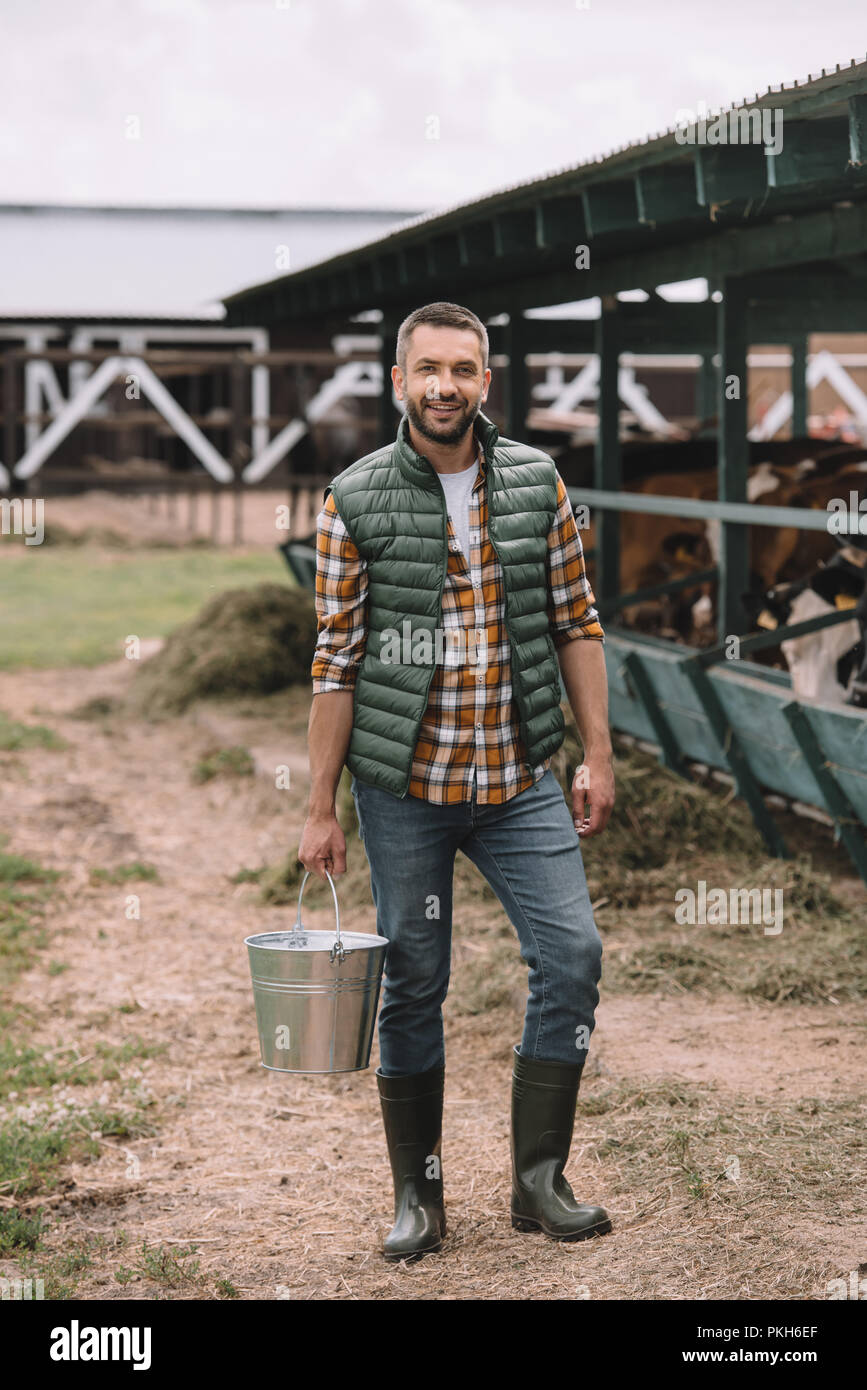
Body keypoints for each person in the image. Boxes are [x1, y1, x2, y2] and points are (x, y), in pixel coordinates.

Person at [298, 301, 615, 1261]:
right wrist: (319, 806)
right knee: (415, 982)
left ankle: (538, 1181)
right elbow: (336, 660)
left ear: (487, 382)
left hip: (518, 776)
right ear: (399, 382)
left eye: (463, 370)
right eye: (428, 369)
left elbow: (576, 621)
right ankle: (418, 1198)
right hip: (406, 785)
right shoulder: (354, 498)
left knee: (572, 956)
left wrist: (596, 753)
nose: (445, 387)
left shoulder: (534, 481)